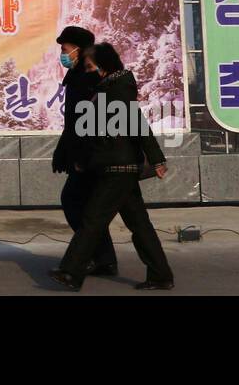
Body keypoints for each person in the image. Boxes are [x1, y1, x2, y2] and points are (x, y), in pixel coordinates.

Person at [48, 42, 175, 291]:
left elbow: (136, 124)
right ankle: (161, 275)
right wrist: (83, 160)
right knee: (139, 224)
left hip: (118, 167)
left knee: (93, 220)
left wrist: (157, 159)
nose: (86, 71)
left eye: (89, 66)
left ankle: (71, 273)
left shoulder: (117, 90)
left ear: (102, 66)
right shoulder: (108, 88)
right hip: (114, 166)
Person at [49, 25, 117, 277]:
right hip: (86, 151)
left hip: (91, 153)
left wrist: (81, 155)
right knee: (90, 208)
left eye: (65, 48)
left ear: (78, 49)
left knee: (75, 203)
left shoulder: (87, 77)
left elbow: (88, 120)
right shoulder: (79, 75)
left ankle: (83, 261)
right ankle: (104, 259)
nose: (62, 53)